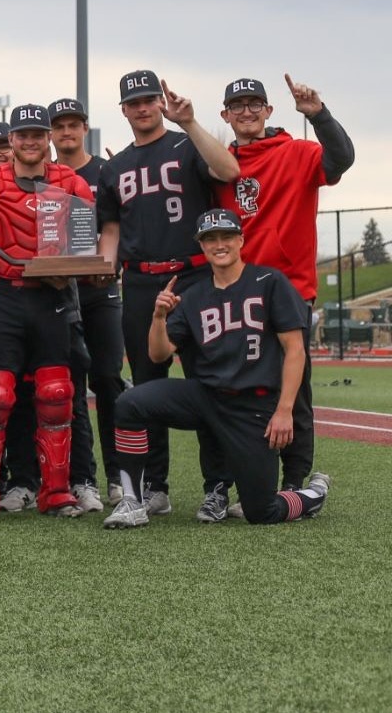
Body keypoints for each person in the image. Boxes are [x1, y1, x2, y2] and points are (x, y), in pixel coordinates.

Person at [104, 209, 330, 528]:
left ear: (240, 240)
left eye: (226, 236)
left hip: (254, 405)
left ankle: (313, 493)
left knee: (261, 510)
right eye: (211, 239)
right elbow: (159, 354)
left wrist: (284, 410)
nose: (219, 244)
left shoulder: (269, 282)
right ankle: (132, 502)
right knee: (129, 403)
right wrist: (158, 318)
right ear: (202, 246)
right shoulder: (194, 295)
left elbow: (295, 350)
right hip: (207, 396)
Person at [95, 70, 239, 519]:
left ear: (161, 101)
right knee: (146, 387)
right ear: (122, 109)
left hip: (195, 277)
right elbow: (113, 227)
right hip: (140, 282)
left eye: (148, 99)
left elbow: (229, 170)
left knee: (210, 381)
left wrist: (190, 123)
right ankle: (154, 486)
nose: (141, 107)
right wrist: (104, 269)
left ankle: (217, 485)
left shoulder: (185, 143)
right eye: (132, 102)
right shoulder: (114, 167)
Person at [214, 74, 354, 494]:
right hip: (235, 289)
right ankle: (236, 482)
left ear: (269, 111)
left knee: (295, 388)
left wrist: (319, 114)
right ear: (225, 115)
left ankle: (294, 480)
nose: (247, 111)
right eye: (237, 105)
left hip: (289, 287)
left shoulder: (297, 152)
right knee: (236, 389)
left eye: (255, 103)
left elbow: (341, 159)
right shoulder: (219, 165)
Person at [0, 104, 90, 518]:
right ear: (10, 140)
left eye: (37, 134)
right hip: (3, 296)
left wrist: (70, 271)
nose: (30, 141)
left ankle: (57, 493)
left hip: (51, 298)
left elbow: (85, 242)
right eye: (22, 134)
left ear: (47, 137)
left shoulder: (71, 183)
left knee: (55, 393)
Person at [47, 97, 121, 512]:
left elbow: (113, 225)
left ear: (85, 127)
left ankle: (119, 476)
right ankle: (83, 478)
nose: (67, 132)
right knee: (70, 388)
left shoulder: (102, 171)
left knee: (109, 381)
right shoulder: (47, 175)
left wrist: (107, 264)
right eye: (59, 126)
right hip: (60, 289)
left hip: (99, 289)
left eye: (73, 125)